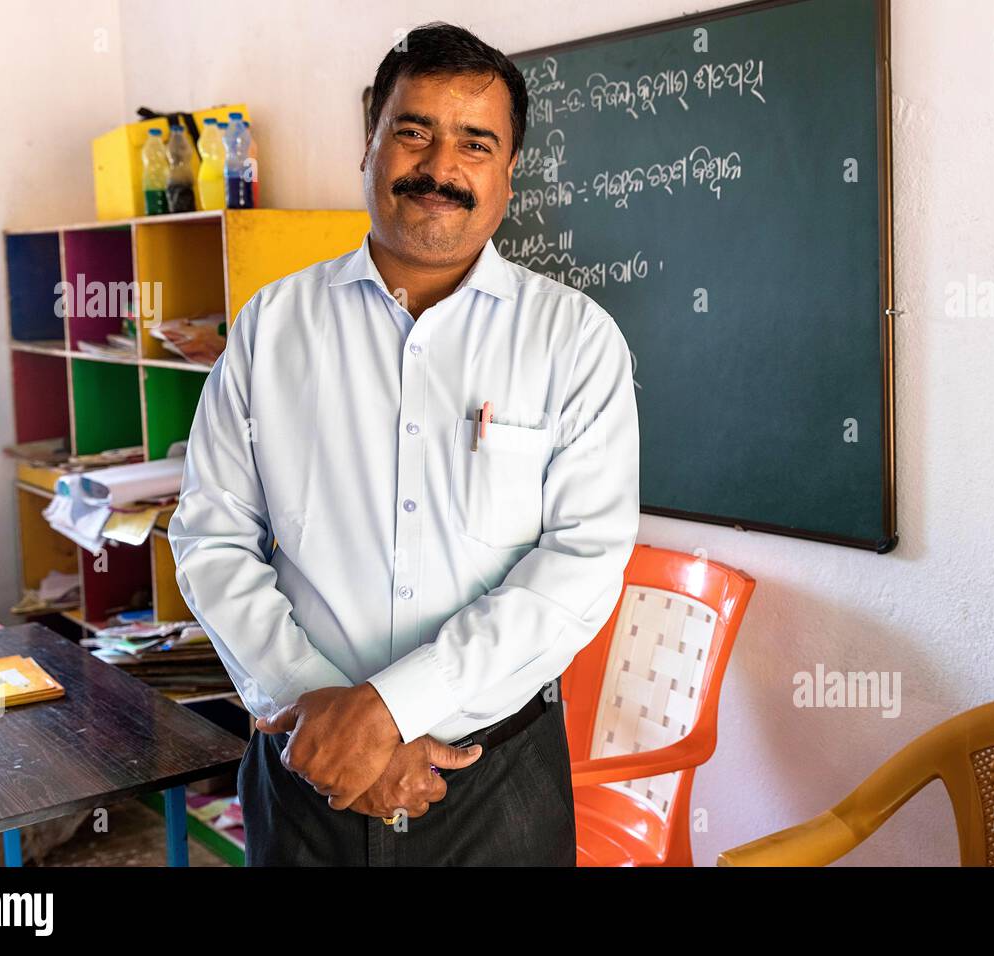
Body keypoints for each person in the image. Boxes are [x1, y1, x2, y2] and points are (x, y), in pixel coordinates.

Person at [168, 21, 640, 866]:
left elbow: (582, 561)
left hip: (498, 780)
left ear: (508, 173)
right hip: (300, 768)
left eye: (475, 143)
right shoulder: (272, 329)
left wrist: (384, 713)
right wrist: (325, 717)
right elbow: (212, 536)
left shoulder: (575, 341)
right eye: (413, 130)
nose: (440, 167)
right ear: (369, 146)